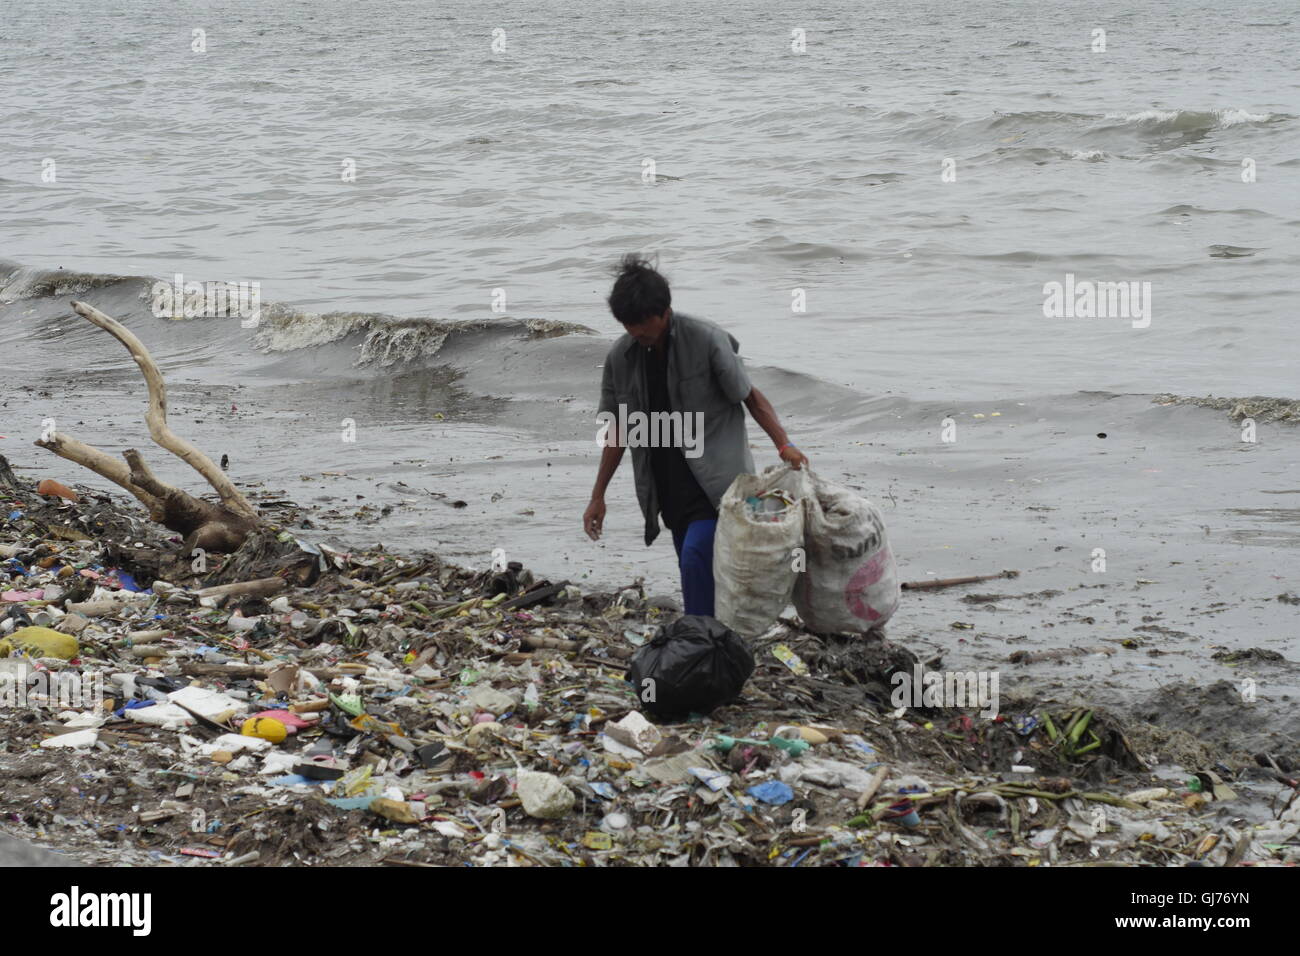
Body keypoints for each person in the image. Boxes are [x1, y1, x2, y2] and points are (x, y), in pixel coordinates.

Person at [583, 255, 808, 616]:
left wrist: (785, 444)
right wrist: (598, 496)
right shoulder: (621, 357)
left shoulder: (706, 339)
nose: (636, 332)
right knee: (698, 568)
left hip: (718, 482)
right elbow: (618, 430)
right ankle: (716, 639)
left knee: (694, 558)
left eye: (642, 323)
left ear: (664, 311)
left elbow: (751, 396)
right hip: (666, 485)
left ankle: (700, 638)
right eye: (627, 324)